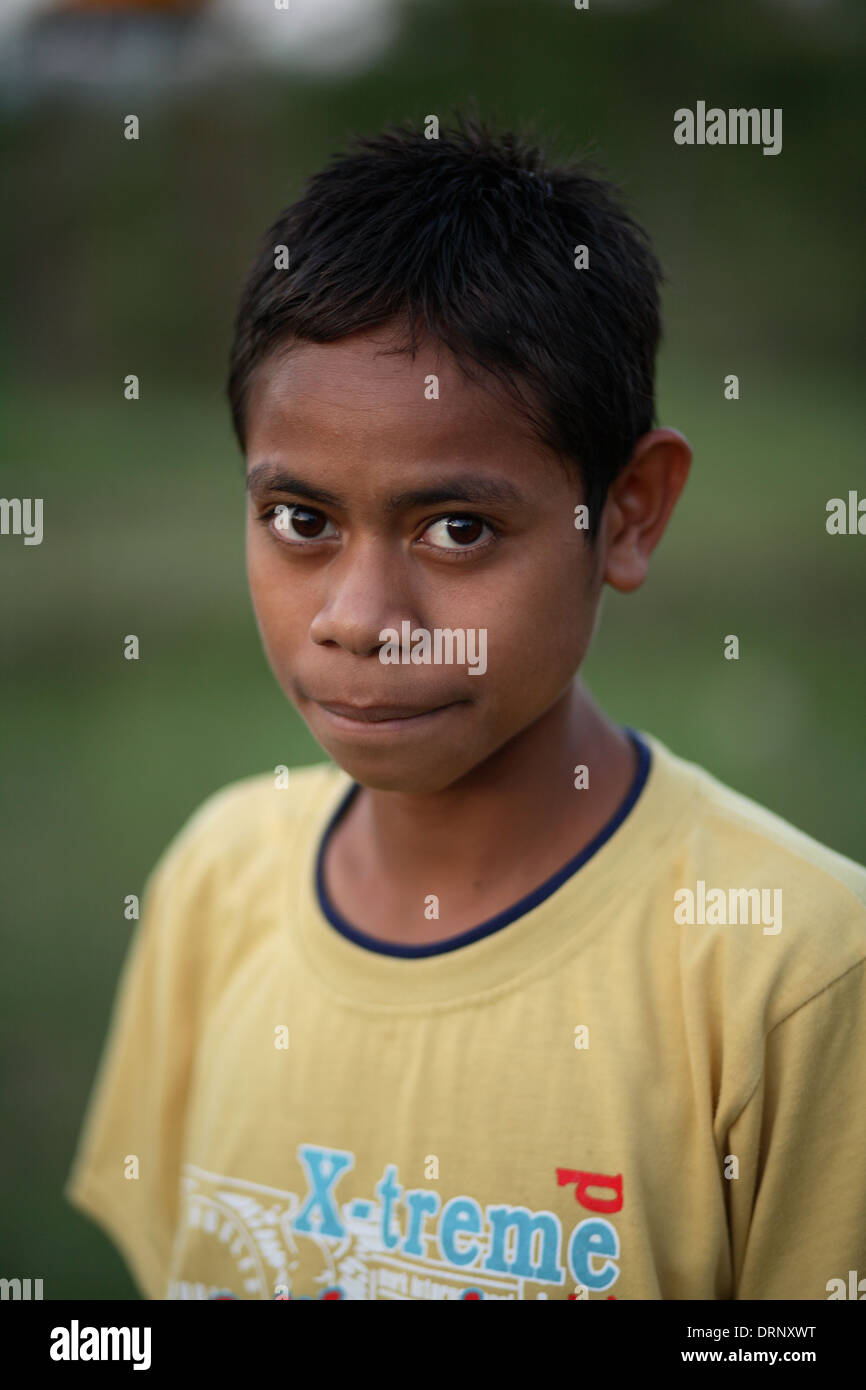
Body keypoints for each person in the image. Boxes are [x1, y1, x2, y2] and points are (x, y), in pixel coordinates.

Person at [65, 114, 866, 1301]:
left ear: (630, 512)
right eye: (301, 520)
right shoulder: (213, 881)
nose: (358, 615)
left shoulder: (794, 973)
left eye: (457, 529)